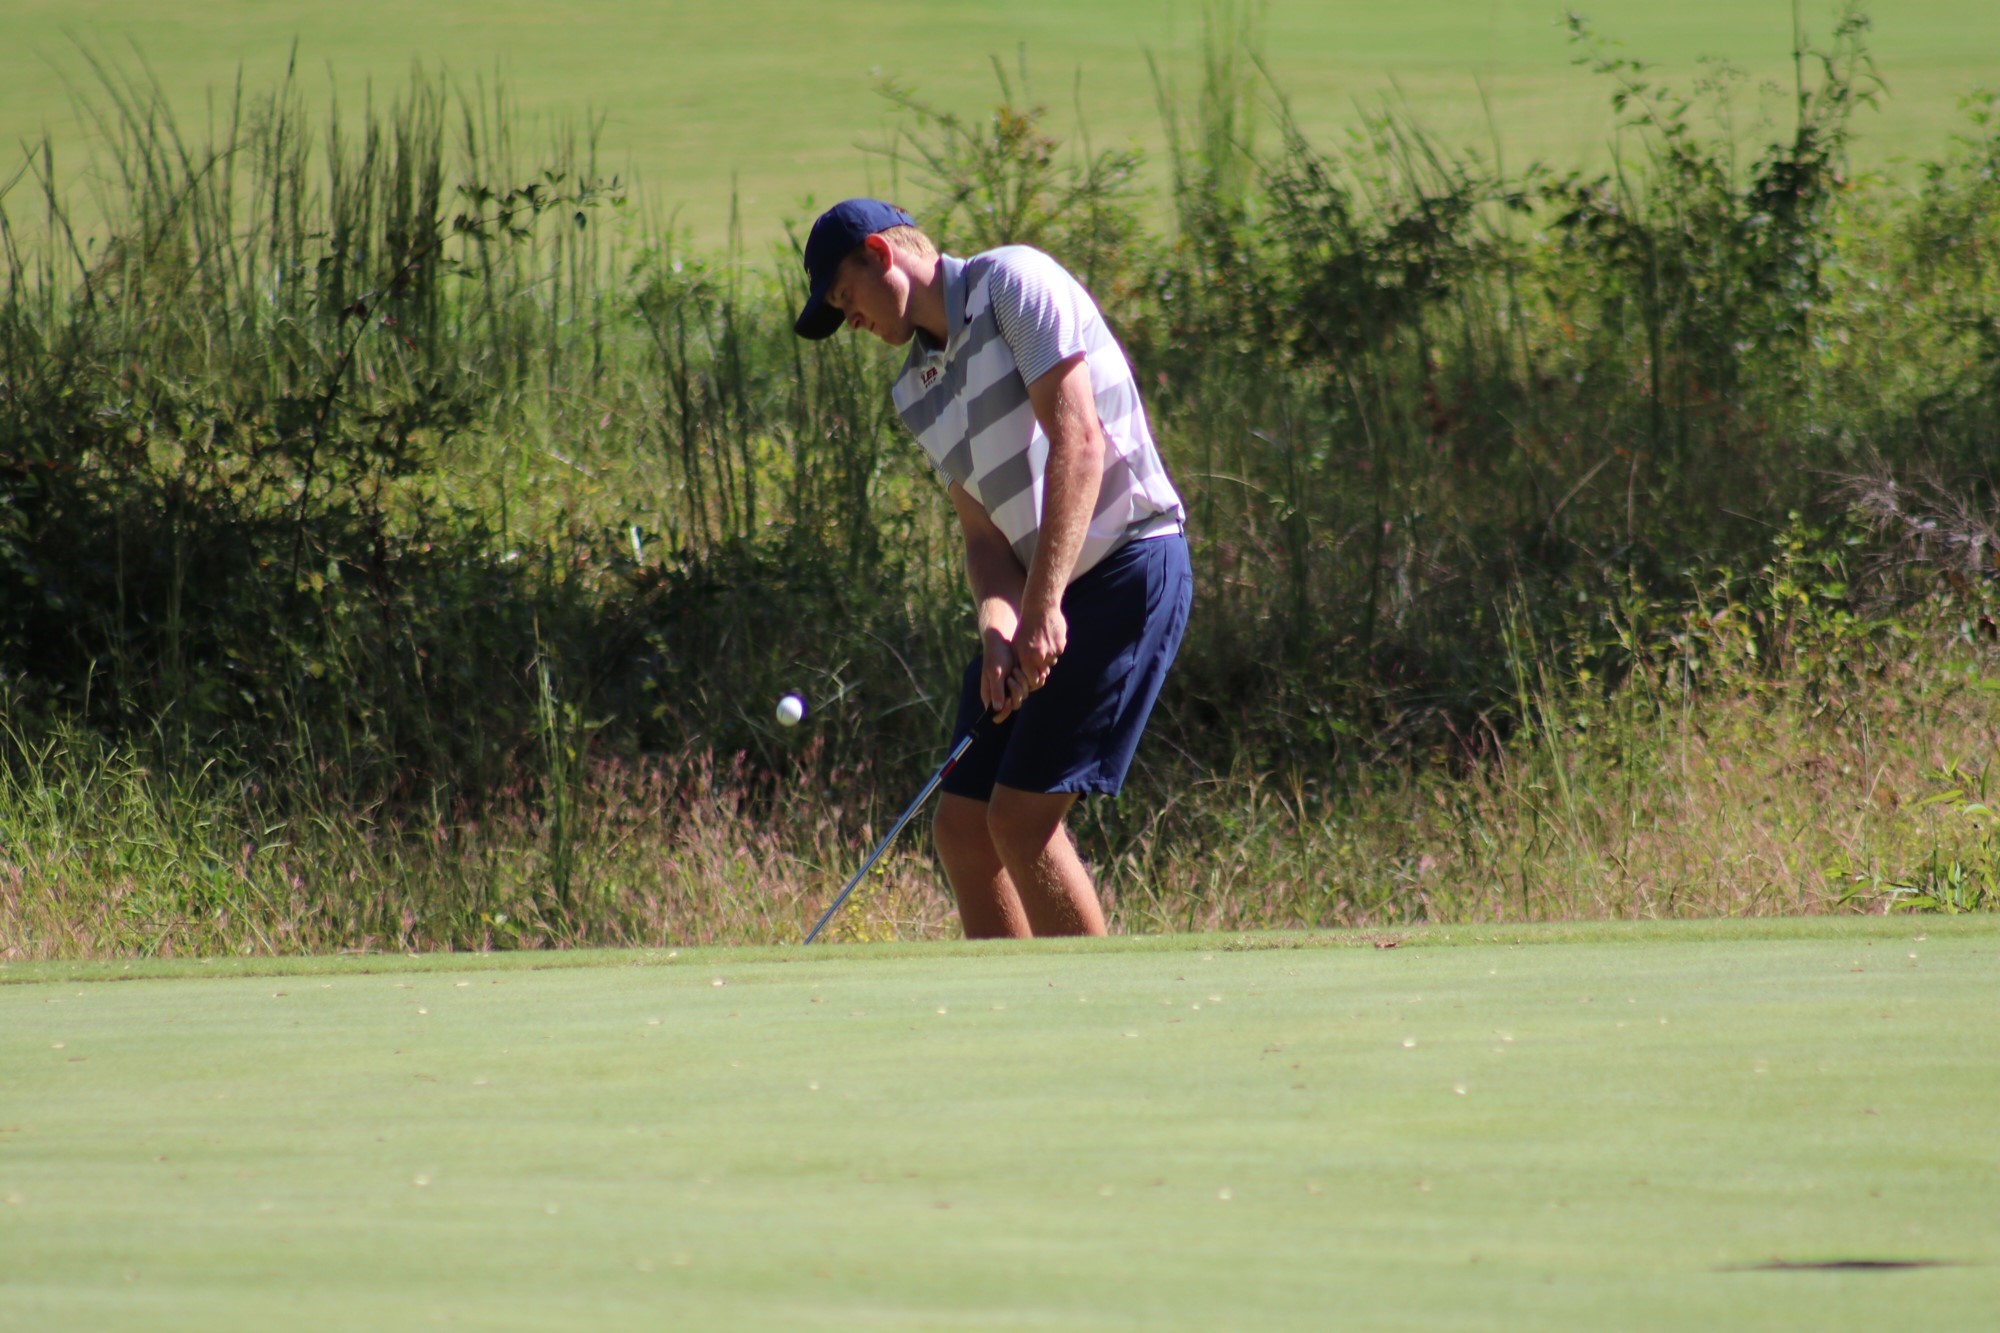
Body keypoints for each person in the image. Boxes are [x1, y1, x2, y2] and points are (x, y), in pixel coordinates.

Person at [793, 198, 1191, 939]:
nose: (851, 321)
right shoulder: (914, 391)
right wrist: (999, 631)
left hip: (1128, 563)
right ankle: (1009, 1019)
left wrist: (1043, 611)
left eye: (847, 299)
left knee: (1021, 818)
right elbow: (984, 536)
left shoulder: (1013, 282)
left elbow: (1079, 444)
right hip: (1049, 591)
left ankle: (1095, 1020)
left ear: (882, 255)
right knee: (963, 827)